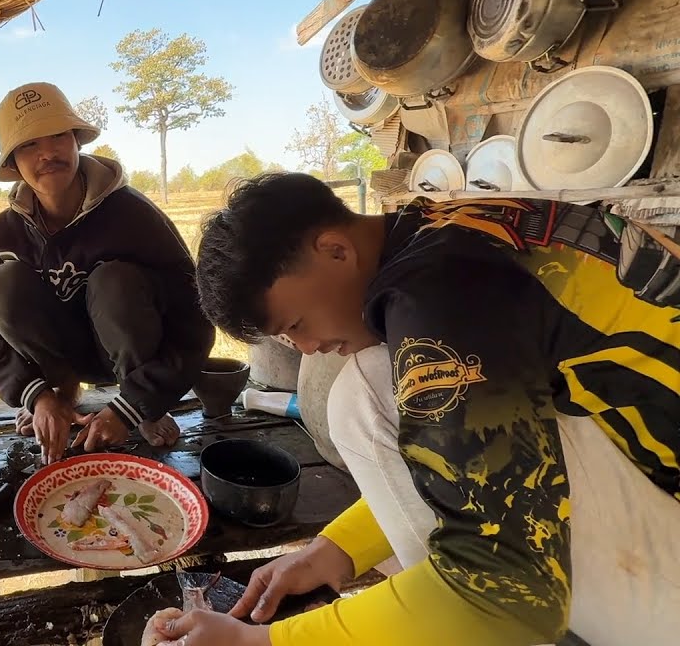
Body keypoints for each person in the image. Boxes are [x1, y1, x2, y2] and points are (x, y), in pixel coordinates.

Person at [150, 172, 680, 646]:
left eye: (296, 324)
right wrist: (333, 549)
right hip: (647, 481)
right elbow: (482, 464)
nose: (309, 348)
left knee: (366, 387)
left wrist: (262, 643)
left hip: (663, 582)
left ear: (335, 250)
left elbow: (504, 577)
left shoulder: (437, 295)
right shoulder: (443, 227)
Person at [0, 82, 215, 465]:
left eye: (58, 136)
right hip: (60, 361)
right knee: (4, 284)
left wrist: (137, 404)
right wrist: (36, 395)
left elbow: (193, 315)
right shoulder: (4, 235)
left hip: (133, 354)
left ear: (76, 141)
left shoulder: (133, 216)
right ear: (12, 163)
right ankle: (61, 395)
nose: (48, 153)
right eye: (29, 144)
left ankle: (143, 406)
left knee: (115, 281)